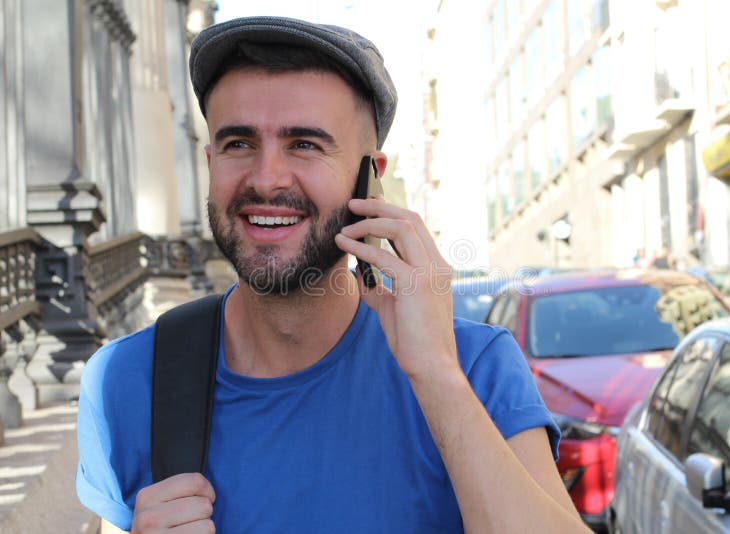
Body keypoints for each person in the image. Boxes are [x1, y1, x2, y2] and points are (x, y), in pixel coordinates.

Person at [75, 16, 587, 533]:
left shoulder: (473, 367)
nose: (267, 179)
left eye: (305, 144)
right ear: (210, 162)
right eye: (238, 144)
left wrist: (435, 375)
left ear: (370, 179)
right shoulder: (127, 378)